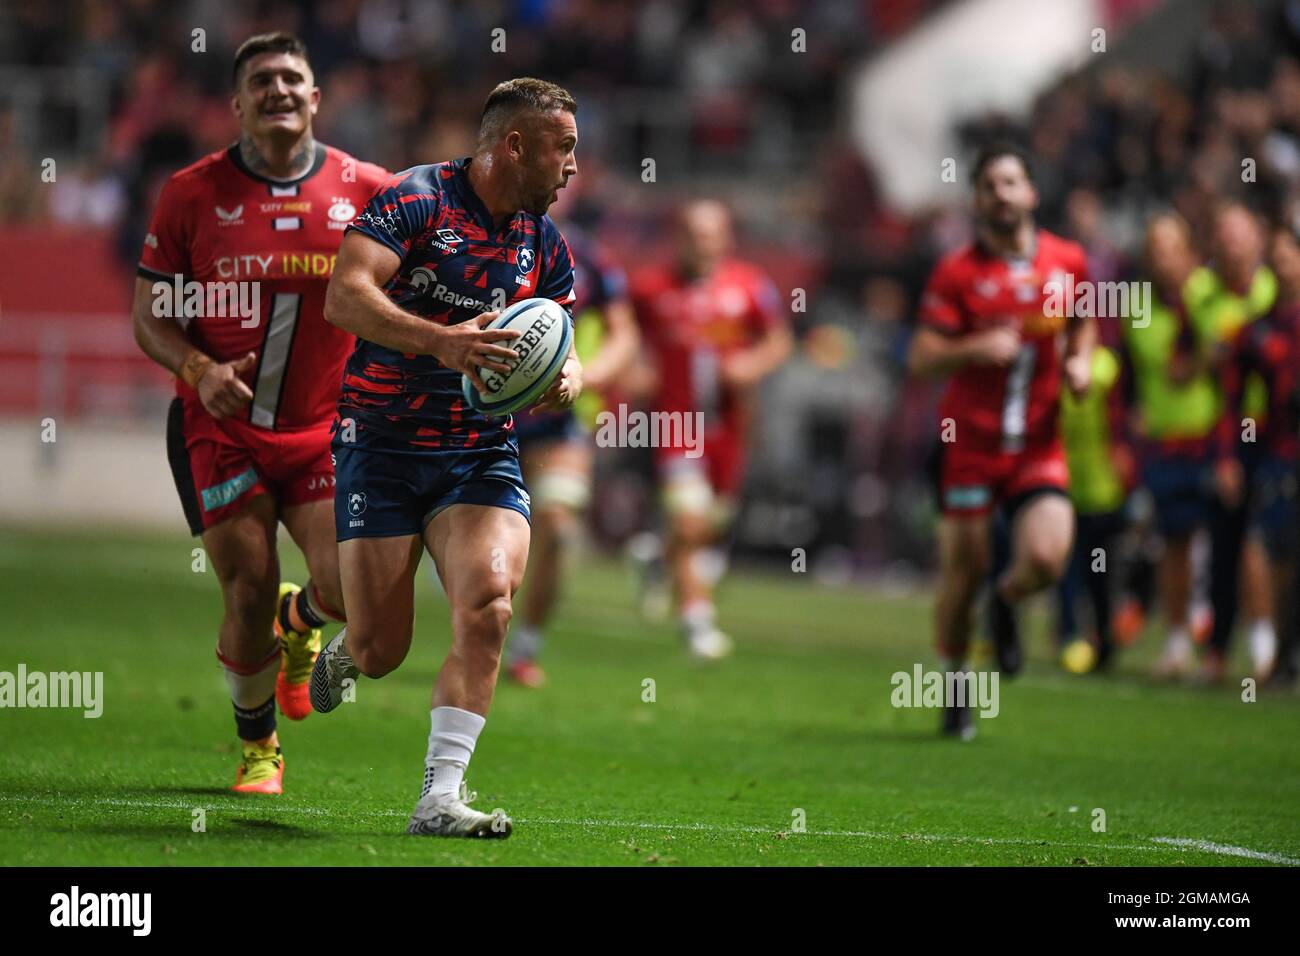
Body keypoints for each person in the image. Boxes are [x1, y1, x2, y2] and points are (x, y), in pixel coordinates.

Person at [311, 78, 581, 838]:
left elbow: (561, 337)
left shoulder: (544, 243)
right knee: (382, 647)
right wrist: (443, 340)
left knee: (489, 601)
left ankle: (440, 797)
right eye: (562, 148)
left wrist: (569, 375)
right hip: (382, 444)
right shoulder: (414, 200)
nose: (570, 167)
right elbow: (343, 296)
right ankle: (345, 647)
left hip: (477, 453)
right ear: (514, 145)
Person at [132, 32, 387, 793]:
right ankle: (259, 747)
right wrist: (197, 368)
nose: (277, 89)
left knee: (350, 595)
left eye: (292, 78)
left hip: (323, 432)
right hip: (223, 430)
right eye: (260, 80)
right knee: (245, 585)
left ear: (315, 98)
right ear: (237, 102)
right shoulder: (191, 193)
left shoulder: (368, 189)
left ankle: (298, 623)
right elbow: (149, 315)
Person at [908, 142, 1094, 739]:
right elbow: (920, 357)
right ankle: (955, 689)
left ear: (1032, 193)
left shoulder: (1068, 262)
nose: (1002, 194)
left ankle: (1007, 602)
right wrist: (971, 348)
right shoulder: (957, 272)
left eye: (1012, 182)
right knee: (963, 573)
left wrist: (1080, 362)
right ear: (977, 199)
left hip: (1039, 445)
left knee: (1045, 558)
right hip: (971, 446)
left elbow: (1085, 320)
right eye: (990, 185)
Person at [629, 199, 793, 659]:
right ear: (679, 237)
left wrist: (751, 364)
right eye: (692, 234)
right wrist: (636, 372)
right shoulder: (650, 288)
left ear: (726, 238)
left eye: (710, 234)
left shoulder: (749, 286)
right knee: (690, 519)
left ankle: (658, 560)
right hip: (675, 426)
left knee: (712, 525)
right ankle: (698, 624)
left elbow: (779, 339)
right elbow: (626, 335)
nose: (702, 243)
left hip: (730, 429)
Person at [505, 228, 639, 687]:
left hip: (555, 423)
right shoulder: (471, 234)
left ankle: (525, 647)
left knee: (559, 529)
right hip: (477, 415)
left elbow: (624, 334)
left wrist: (587, 375)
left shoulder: (588, 255)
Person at [1122, 213, 1219, 678]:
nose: (1162, 258)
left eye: (1170, 247)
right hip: (1164, 440)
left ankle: (1238, 644)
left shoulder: (1207, 293)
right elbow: (1139, 369)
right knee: (1173, 543)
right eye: (1154, 248)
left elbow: (1228, 349)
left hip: (1213, 437)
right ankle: (1178, 641)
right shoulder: (1137, 306)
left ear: (1188, 251)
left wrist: (1200, 360)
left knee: (1233, 542)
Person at [1189, 203, 1278, 682]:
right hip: (1224, 432)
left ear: (1258, 241)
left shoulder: (1276, 290)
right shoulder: (1198, 294)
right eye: (1222, 235)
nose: (1230, 244)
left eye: (1239, 235)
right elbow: (1179, 362)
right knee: (1224, 541)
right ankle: (1218, 649)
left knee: (1263, 543)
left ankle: (1269, 647)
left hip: (1276, 435)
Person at [1211, 221, 1300, 682]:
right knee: (1269, 549)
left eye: (1290, 253)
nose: (1283, 263)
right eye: (1277, 254)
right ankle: (1274, 649)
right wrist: (1227, 456)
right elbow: (1231, 398)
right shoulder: (1256, 330)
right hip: (1279, 454)